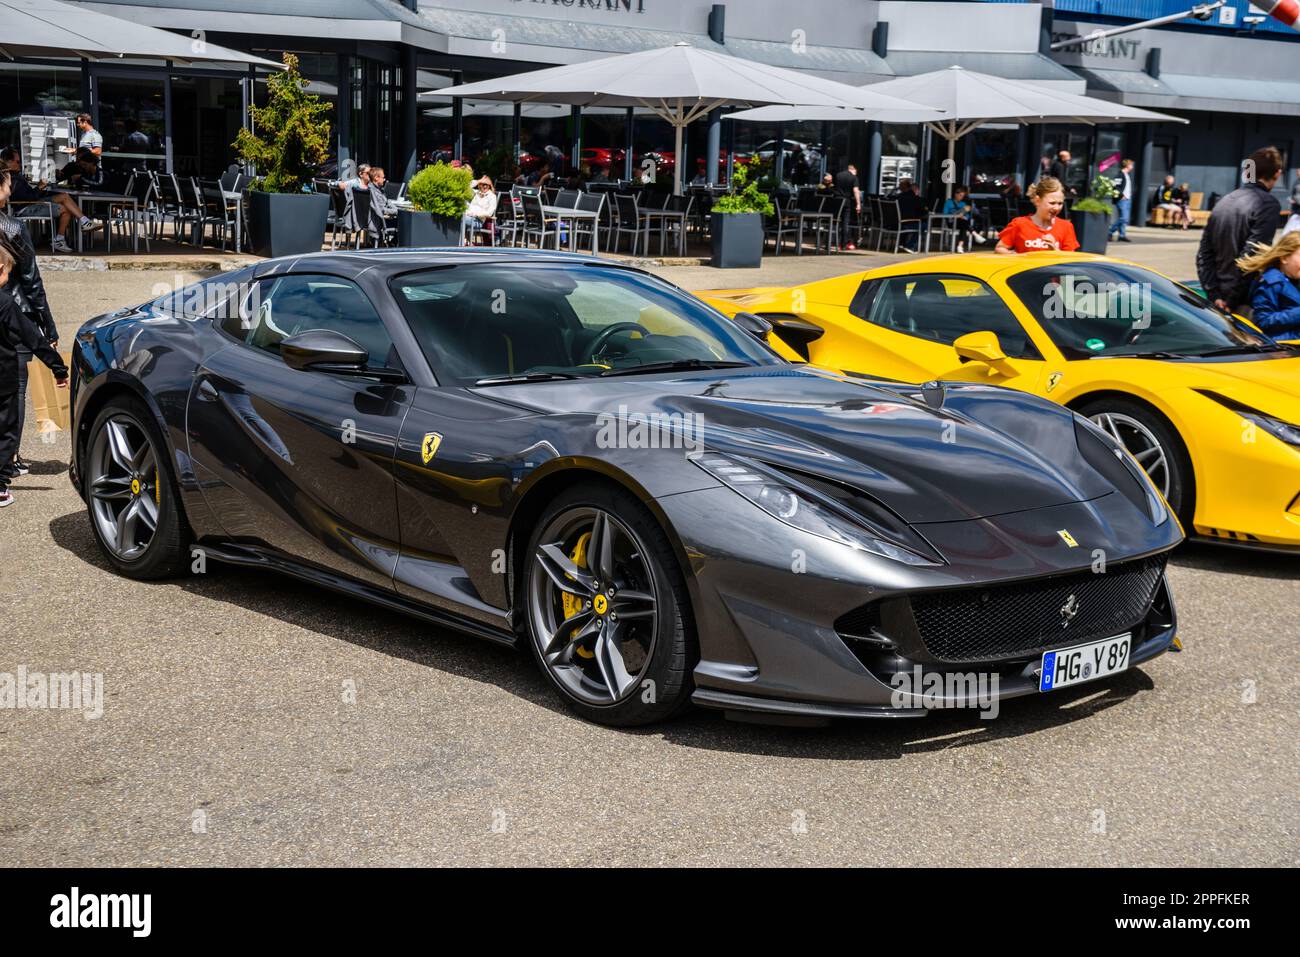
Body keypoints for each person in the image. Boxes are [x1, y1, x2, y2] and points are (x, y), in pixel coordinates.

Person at [0, 168, 60, 483]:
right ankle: (9, 457)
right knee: (15, 390)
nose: (12, 187)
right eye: (8, 182)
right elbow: (32, 283)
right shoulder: (12, 227)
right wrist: (48, 330)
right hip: (14, 317)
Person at [0, 239, 67, 507]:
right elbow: (32, 338)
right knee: (6, 431)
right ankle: (1, 486)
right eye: (7, 273)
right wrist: (58, 367)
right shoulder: (5, 305)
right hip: (3, 380)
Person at [1196, 145, 1284, 314]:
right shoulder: (1267, 204)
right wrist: (1230, 300)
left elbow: (1204, 254)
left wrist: (1214, 295)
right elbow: (1252, 256)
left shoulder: (1224, 201)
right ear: (1277, 173)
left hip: (1217, 297)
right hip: (1242, 301)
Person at [0, 147, 100, 254]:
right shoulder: (11, 177)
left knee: (64, 196)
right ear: (9, 162)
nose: (19, 164)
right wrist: (39, 188)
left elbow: (27, 195)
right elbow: (27, 198)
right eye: (18, 161)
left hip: (30, 203)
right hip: (24, 208)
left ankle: (84, 221)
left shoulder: (13, 176)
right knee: (65, 209)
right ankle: (59, 239)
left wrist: (40, 187)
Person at [1236, 232, 1300, 338]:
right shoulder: (1271, 283)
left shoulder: (1295, 278)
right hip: (1285, 348)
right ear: (1284, 258)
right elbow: (1263, 321)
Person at [995, 176, 1079, 254]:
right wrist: (1017, 257)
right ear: (1038, 201)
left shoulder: (1066, 227)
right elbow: (1000, 248)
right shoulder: (1019, 224)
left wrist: (1055, 250)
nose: (1057, 208)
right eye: (1052, 203)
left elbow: (1070, 260)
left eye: (1060, 203)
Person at [942, 186, 986, 254]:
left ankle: (960, 246)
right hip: (951, 221)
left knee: (964, 225)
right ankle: (975, 235)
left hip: (961, 222)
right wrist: (956, 215)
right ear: (955, 194)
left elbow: (967, 215)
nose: (961, 197)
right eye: (960, 195)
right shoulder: (949, 202)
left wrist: (965, 217)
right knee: (964, 224)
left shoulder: (963, 203)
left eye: (962, 196)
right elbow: (945, 213)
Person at [462, 177, 498, 246]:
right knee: (459, 216)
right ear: (479, 185)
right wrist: (479, 180)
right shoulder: (476, 193)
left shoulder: (492, 196)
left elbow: (489, 213)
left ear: (490, 186)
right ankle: (465, 241)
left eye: (486, 185)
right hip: (468, 216)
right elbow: (467, 186)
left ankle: (465, 241)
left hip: (478, 220)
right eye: (482, 184)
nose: (484, 186)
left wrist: (476, 214)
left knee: (461, 219)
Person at [834, 163, 862, 250]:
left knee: (835, 222)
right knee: (845, 223)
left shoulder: (838, 175)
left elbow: (833, 187)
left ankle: (831, 241)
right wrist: (858, 204)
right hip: (847, 201)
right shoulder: (854, 178)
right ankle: (843, 244)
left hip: (837, 201)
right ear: (854, 170)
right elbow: (856, 191)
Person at [893, 179, 926, 253]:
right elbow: (922, 212)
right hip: (905, 224)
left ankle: (901, 243)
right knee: (923, 225)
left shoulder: (897, 198)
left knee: (909, 222)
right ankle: (910, 246)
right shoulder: (914, 198)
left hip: (892, 224)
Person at [1108, 158, 1135, 243]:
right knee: (1124, 218)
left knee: (1123, 219)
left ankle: (1122, 235)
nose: (1132, 166)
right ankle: (1109, 232)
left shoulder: (1127, 175)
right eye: (1131, 165)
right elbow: (1115, 186)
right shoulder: (1120, 175)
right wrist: (1121, 195)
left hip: (1127, 199)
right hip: (1122, 199)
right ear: (1127, 165)